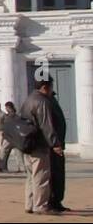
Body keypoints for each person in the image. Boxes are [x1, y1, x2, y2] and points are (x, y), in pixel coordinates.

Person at [19, 79, 64, 215]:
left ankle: (30, 204)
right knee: (41, 176)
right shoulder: (42, 101)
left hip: (27, 144)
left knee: (31, 176)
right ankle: (41, 206)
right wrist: (55, 144)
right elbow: (46, 125)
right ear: (45, 87)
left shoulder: (28, 100)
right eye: (51, 88)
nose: (51, 91)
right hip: (39, 145)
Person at [46, 84, 70, 212]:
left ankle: (57, 201)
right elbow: (48, 125)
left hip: (58, 144)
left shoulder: (52, 100)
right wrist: (54, 144)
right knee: (53, 175)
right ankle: (52, 201)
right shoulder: (45, 102)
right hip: (52, 146)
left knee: (59, 175)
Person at [0, 101, 24, 173]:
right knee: (5, 151)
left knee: (17, 152)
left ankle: (21, 168)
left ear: (10, 107)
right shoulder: (8, 116)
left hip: (13, 137)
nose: (6, 109)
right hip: (9, 137)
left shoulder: (15, 116)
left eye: (7, 107)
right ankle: (2, 166)